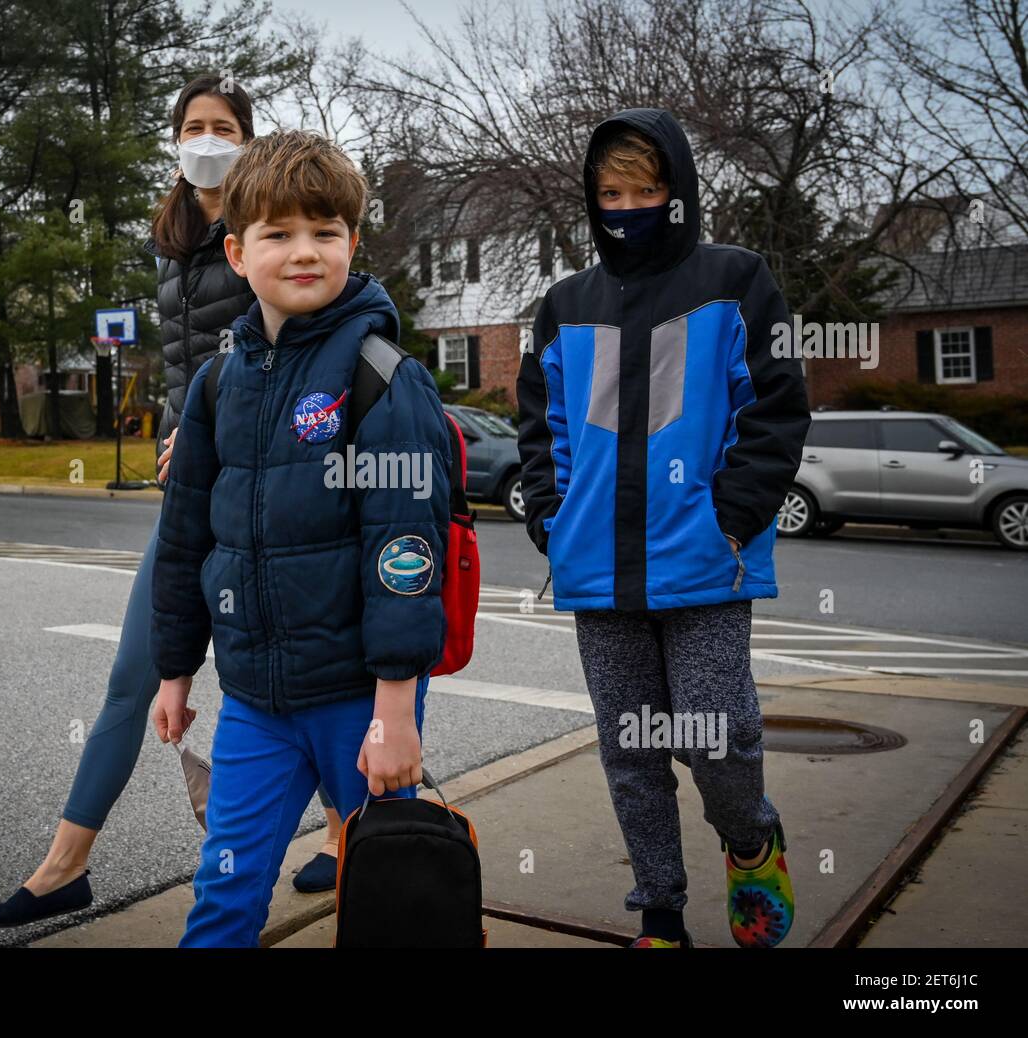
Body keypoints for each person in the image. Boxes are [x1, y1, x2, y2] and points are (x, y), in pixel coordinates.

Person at [0, 75, 270, 928]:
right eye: (193, 127)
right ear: (175, 140)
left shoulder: (266, 226)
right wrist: (176, 432)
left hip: (261, 481)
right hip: (189, 490)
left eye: (224, 126)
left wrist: (213, 420)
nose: (207, 139)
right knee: (130, 678)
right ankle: (65, 865)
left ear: (249, 139)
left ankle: (355, 842)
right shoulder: (171, 238)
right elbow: (181, 364)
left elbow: (282, 342)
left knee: (303, 677)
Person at [148, 128, 452, 947]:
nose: (304, 251)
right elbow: (185, 542)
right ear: (238, 254)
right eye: (279, 234)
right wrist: (174, 670)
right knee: (224, 890)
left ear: (353, 243)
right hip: (254, 704)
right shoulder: (217, 386)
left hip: (361, 699)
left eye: (325, 232)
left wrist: (396, 709)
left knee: (393, 905)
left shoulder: (385, 375)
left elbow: (405, 557)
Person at [515, 108, 811, 948]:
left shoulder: (737, 279)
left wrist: (731, 516)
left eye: (646, 188)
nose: (628, 204)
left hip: (705, 564)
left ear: (677, 190)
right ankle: (659, 911)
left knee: (718, 733)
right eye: (611, 190)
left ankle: (750, 838)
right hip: (597, 572)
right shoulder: (564, 305)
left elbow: (778, 410)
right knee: (630, 754)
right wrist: (553, 517)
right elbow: (543, 429)